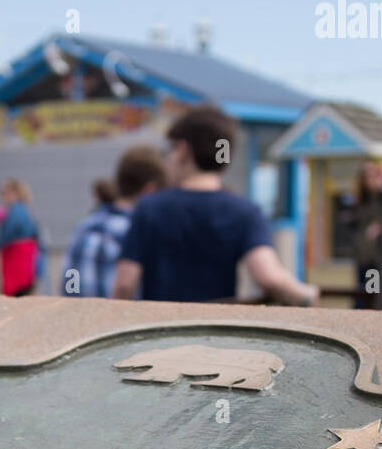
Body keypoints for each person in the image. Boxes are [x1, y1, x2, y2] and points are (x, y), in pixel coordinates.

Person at [113, 105, 318, 306]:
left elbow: (124, 284)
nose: (167, 160)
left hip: (159, 333)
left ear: (183, 150)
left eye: (171, 149)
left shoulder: (149, 208)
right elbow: (269, 278)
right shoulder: (245, 212)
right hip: (215, 334)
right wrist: (307, 295)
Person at [61, 147, 167, 298]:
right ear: (150, 191)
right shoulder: (140, 234)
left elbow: (68, 288)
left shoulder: (82, 228)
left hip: (80, 318)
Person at [0, 180, 41, 296]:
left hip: (17, 257)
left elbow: (6, 233)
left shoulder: (16, 211)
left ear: (15, 194)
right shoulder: (22, 209)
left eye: (5, 194)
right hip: (22, 257)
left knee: (16, 290)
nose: (3, 197)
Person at [352, 160, 382, 307]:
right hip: (364, 256)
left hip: (376, 256)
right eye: (367, 177)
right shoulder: (361, 201)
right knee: (363, 293)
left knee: (372, 293)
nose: (371, 180)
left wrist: (379, 227)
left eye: (374, 176)